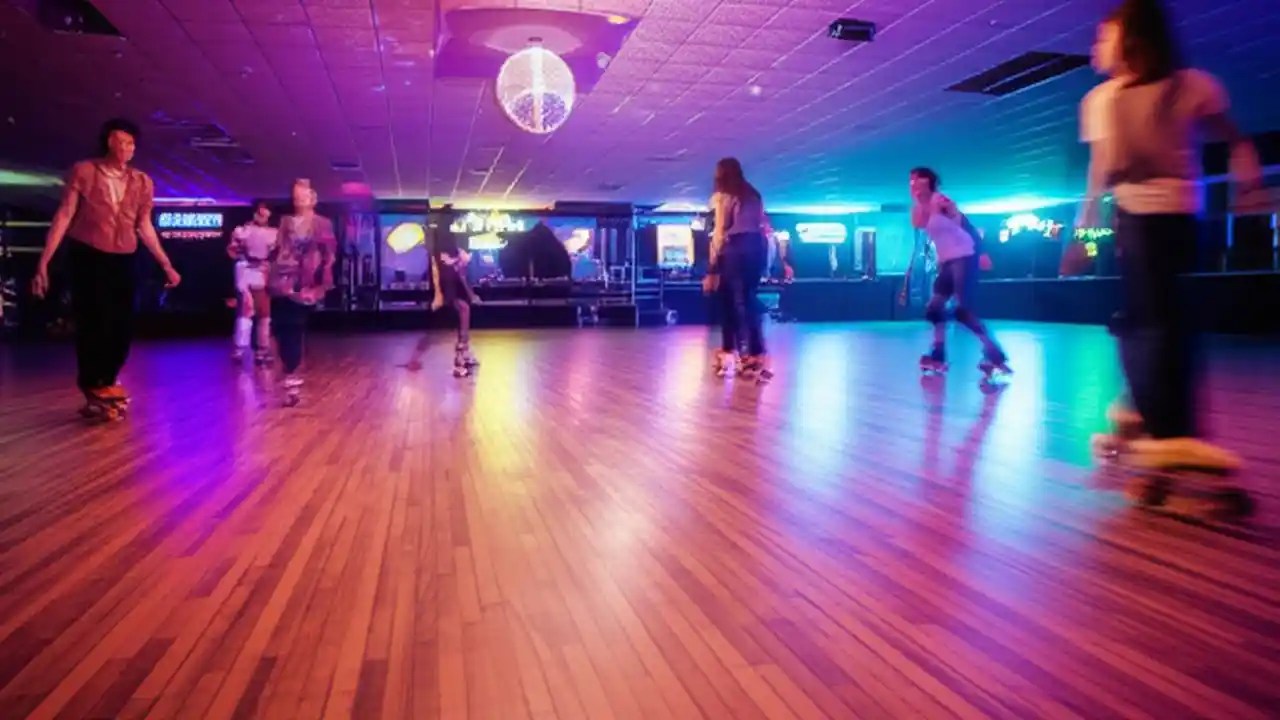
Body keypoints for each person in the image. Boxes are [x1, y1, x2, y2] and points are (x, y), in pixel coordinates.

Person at [1079, 0, 1264, 465]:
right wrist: (1084, 234)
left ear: (1134, 40)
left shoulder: (1192, 86)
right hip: (1137, 222)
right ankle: (1157, 422)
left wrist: (1249, 178)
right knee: (1152, 322)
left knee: (1166, 322)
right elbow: (1100, 175)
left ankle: (1152, 419)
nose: (1096, 45)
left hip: (1182, 221)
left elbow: (1235, 138)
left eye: (1106, 35)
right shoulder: (1101, 101)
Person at [31, 118, 181, 415]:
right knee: (93, 320)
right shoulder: (84, 171)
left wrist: (166, 264)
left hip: (124, 255)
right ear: (107, 142)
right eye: (119, 141)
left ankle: (106, 381)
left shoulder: (141, 181)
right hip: (88, 252)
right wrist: (43, 263)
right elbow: (64, 216)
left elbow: (145, 226)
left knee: (122, 324)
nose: (125, 148)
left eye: (130, 144)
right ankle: (93, 382)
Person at [903, 167, 1008, 377]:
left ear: (928, 182)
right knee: (934, 309)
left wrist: (982, 253)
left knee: (963, 311)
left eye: (916, 180)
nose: (912, 185)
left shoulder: (941, 201)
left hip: (965, 257)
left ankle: (995, 356)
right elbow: (924, 234)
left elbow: (966, 226)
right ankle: (938, 354)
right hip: (948, 261)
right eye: (910, 181)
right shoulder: (919, 210)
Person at [705, 157, 784, 380]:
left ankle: (737, 351)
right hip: (755, 248)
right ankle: (752, 352)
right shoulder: (753, 194)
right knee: (745, 300)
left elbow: (720, 231)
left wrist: (712, 267)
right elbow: (762, 227)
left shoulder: (723, 196)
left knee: (731, 301)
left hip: (734, 250)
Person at [267, 179, 336, 403]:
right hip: (280, 282)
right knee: (280, 328)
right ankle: (289, 370)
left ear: (313, 199)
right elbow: (278, 249)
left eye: (303, 197)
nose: (299, 201)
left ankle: (292, 378)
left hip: (304, 282)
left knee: (294, 326)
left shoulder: (322, 223)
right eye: (296, 197)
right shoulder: (285, 222)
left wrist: (322, 283)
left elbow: (329, 255)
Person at [227, 200, 277, 362]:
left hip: (263, 271)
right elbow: (232, 251)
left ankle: (263, 348)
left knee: (264, 312)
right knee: (246, 309)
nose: (262, 215)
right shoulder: (242, 231)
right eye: (259, 212)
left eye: (265, 212)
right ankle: (240, 348)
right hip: (245, 269)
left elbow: (279, 254)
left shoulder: (274, 233)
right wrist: (244, 255)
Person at [430, 225, 480, 377]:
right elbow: (456, 274)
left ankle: (463, 355)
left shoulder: (448, 254)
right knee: (463, 314)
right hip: (451, 289)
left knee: (463, 315)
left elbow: (459, 274)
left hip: (454, 289)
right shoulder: (447, 255)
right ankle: (460, 359)